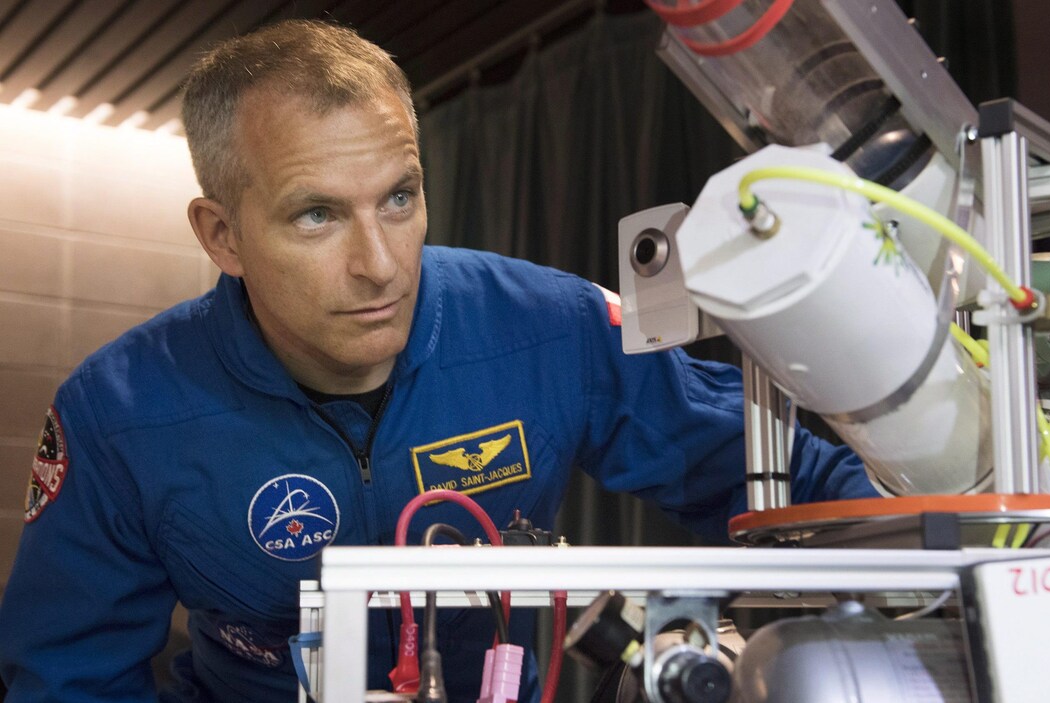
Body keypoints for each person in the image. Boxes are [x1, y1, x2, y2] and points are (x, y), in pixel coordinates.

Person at [0, 19, 878, 703]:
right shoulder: (120, 416)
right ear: (221, 234)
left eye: (400, 197)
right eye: (317, 215)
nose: (380, 264)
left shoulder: (553, 329)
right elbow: (67, 679)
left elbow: (791, 480)